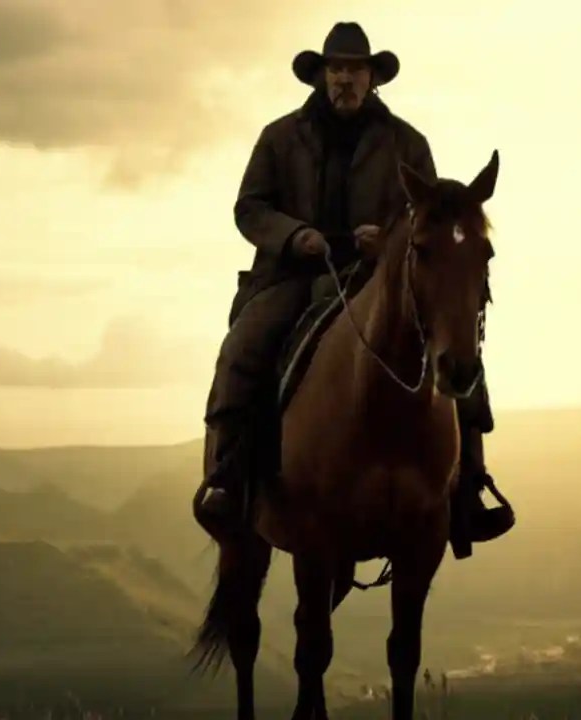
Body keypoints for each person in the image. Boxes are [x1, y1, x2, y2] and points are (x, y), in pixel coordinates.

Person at [196, 21, 514, 559]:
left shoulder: (408, 144)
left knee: (458, 352)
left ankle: (467, 488)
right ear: (322, 76)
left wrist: (387, 242)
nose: (345, 78)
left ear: (372, 78)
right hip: (292, 275)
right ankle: (229, 477)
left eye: (355, 69)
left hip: (378, 280)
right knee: (244, 348)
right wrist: (295, 236)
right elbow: (249, 207)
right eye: (337, 68)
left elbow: (430, 220)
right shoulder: (279, 138)